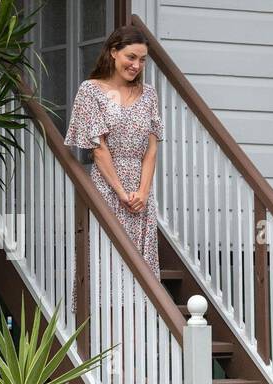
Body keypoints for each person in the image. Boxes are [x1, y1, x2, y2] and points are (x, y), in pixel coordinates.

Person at [64, 25, 163, 278]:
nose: (136, 65)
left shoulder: (149, 94)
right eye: (131, 57)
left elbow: (151, 150)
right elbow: (98, 149)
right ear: (113, 52)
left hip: (141, 192)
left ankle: (140, 315)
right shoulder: (90, 91)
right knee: (106, 257)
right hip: (108, 186)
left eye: (142, 60)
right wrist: (121, 193)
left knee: (141, 262)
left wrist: (141, 192)